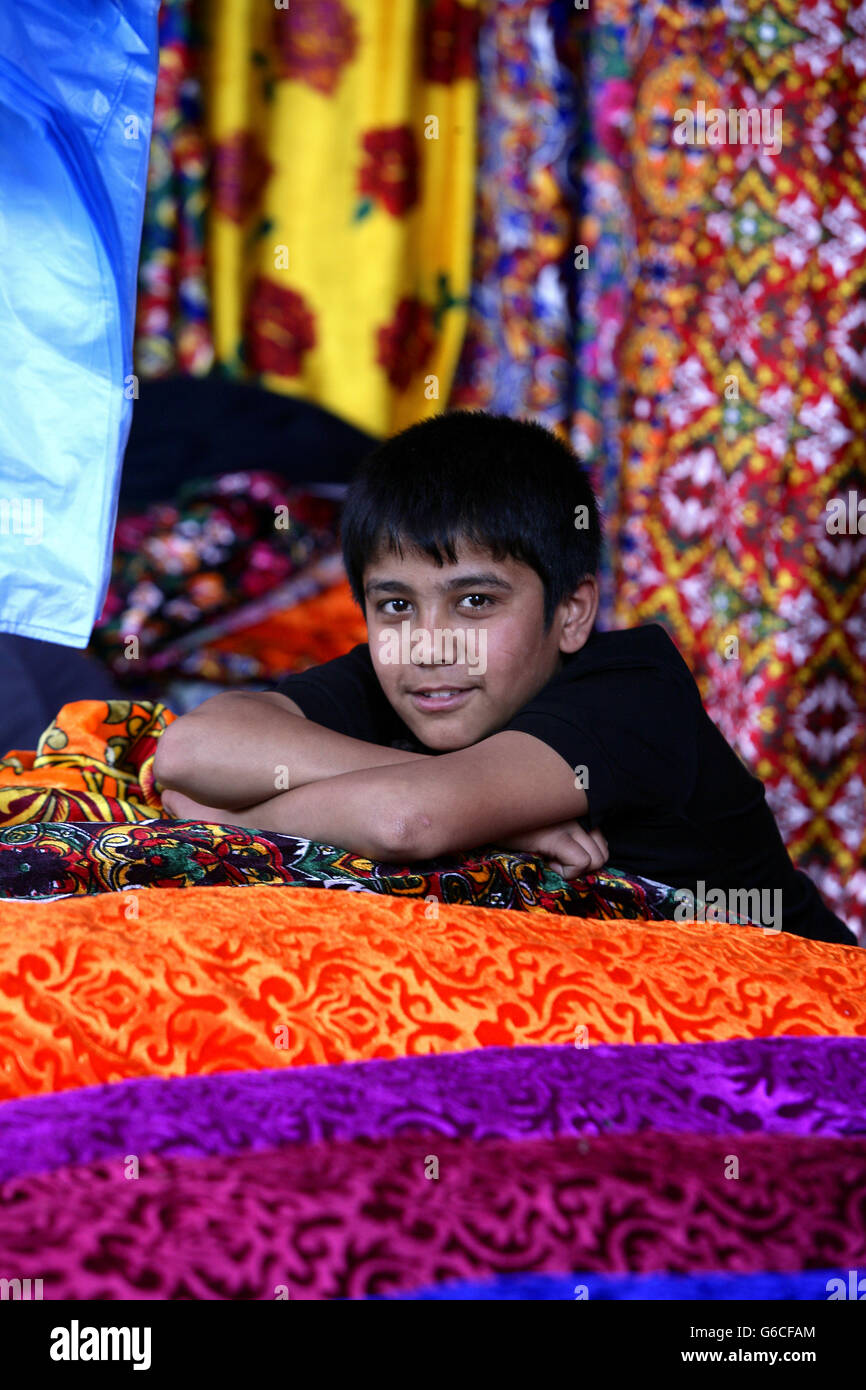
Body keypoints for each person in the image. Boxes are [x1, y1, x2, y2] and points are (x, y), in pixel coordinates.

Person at [155, 411, 857, 947]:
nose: (429, 645)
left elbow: (407, 819)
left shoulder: (634, 694)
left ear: (572, 613)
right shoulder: (400, 673)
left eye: (475, 602)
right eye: (395, 605)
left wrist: (234, 823)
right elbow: (190, 751)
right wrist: (489, 816)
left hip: (807, 1019)